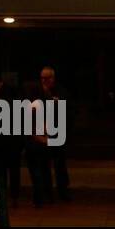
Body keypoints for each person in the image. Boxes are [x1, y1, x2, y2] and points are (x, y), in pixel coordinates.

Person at [0, 81, 23, 207]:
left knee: (0, 172)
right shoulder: (18, 105)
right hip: (14, 144)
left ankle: (0, 197)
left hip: (0, 144)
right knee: (14, 172)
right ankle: (15, 197)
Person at [39, 67, 70, 201]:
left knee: (60, 164)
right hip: (43, 132)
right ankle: (47, 192)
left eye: (47, 78)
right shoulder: (38, 92)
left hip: (57, 132)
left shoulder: (61, 91)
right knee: (44, 164)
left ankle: (63, 191)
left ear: (53, 78)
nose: (45, 81)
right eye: (42, 78)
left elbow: (65, 109)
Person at [21, 80, 53, 207]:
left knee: (36, 171)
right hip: (45, 141)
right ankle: (48, 195)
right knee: (46, 170)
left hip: (35, 141)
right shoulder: (46, 103)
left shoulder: (32, 106)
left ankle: (38, 198)